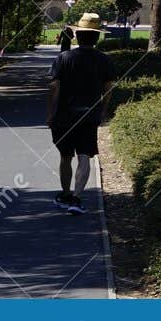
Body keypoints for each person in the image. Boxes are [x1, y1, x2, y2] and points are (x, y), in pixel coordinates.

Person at [46, 12, 117, 214]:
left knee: (65, 156)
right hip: (90, 116)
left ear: (78, 35)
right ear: (97, 37)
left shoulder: (64, 58)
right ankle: (77, 198)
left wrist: (50, 113)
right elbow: (108, 89)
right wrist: (103, 112)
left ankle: (66, 193)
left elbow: (53, 86)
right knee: (85, 156)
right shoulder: (104, 60)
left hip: (63, 116)